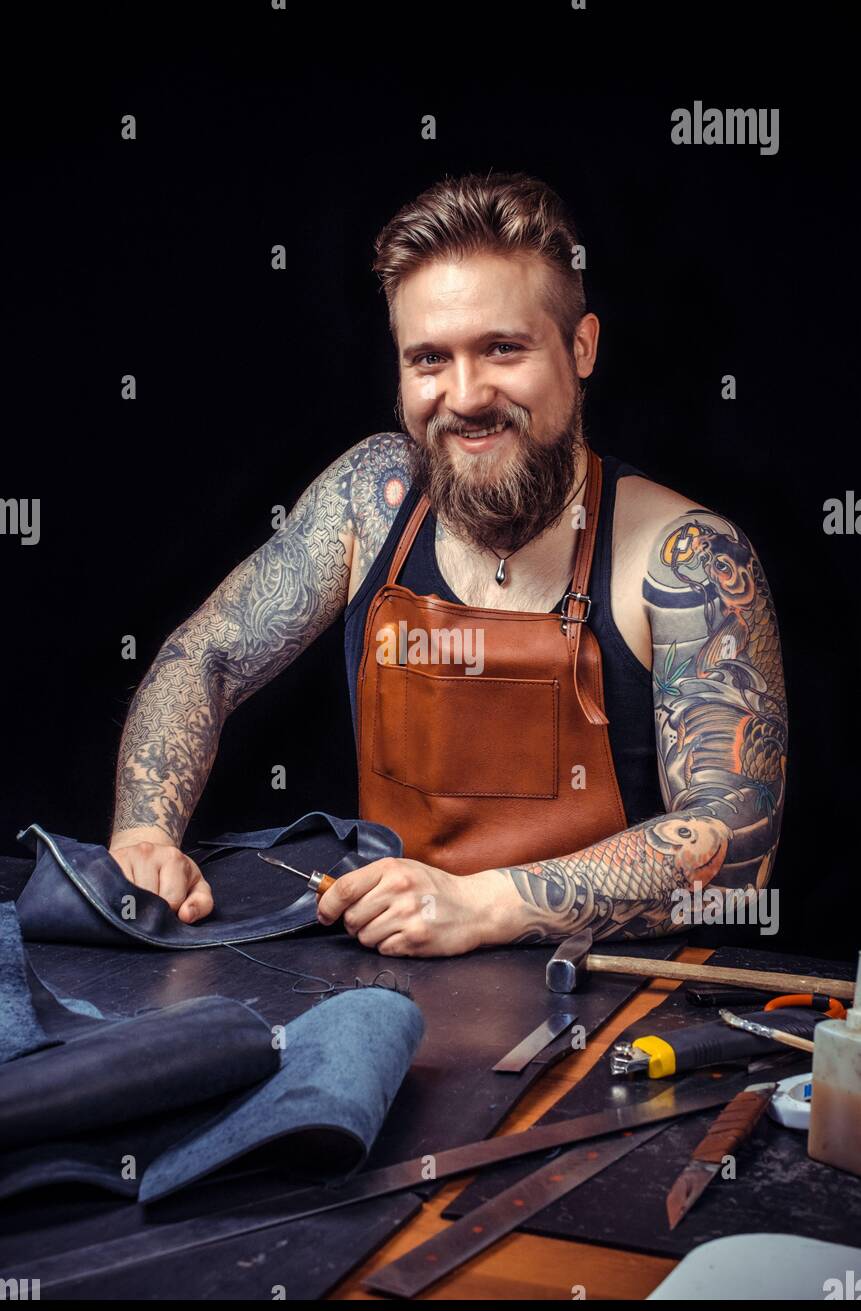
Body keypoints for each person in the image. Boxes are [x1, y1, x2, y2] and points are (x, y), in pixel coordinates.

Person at [109, 172, 787, 957]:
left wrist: (478, 906)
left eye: (502, 348)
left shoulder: (686, 557)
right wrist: (145, 833)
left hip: (601, 1013)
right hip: (388, 976)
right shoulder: (370, 498)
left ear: (581, 346)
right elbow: (209, 657)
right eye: (429, 359)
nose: (464, 396)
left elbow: (735, 853)